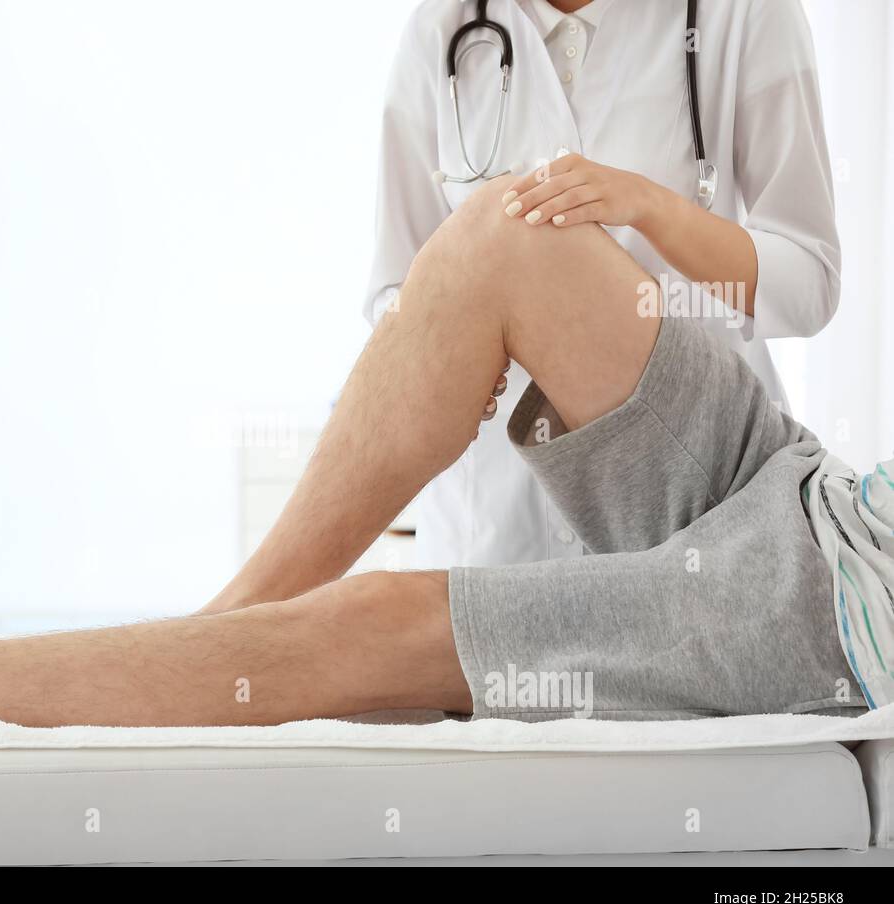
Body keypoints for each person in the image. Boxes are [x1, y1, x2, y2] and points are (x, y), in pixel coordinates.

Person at [0, 176, 890, 739]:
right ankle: (215, 636)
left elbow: (806, 277)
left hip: (836, 607)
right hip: (820, 493)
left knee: (373, 622)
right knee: (503, 234)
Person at [360, 0, 840, 572]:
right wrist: (467, 345)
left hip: (695, 518)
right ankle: (235, 620)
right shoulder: (440, 31)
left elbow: (808, 282)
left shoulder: (747, 14)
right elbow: (394, 297)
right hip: (492, 533)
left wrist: (651, 206)